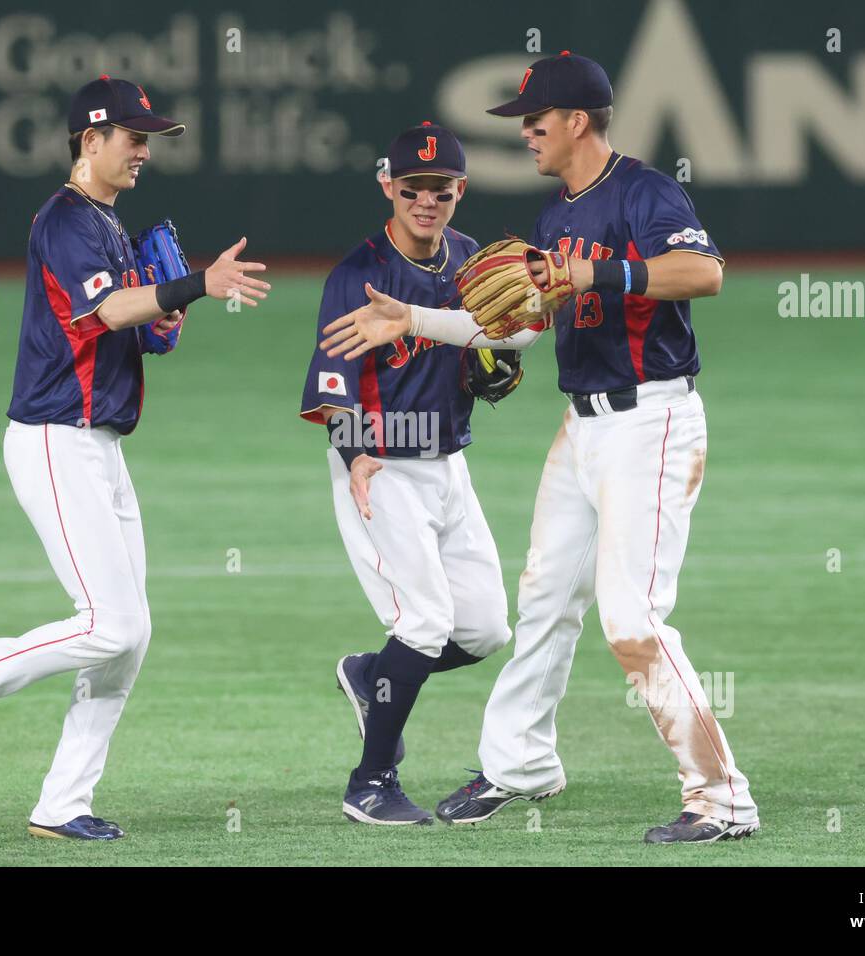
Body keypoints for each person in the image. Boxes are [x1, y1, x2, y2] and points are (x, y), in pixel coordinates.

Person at [320, 53, 760, 844]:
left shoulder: (643, 191)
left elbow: (703, 272)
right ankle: (520, 764)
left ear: (579, 121)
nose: (525, 134)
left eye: (535, 121)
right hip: (582, 427)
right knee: (546, 601)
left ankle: (721, 797)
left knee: (633, 619)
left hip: (650, 423)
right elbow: (518, 328)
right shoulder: (556, 218)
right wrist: (415, 322)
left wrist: (598, 273)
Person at [0, 75, 270, 841]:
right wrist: (196, 286)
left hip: (99, 446)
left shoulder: (109, 224)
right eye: (134, 137)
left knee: (129, 635)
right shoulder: (69, 221)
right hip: (53, 440)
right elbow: (107, 310)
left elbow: (128, 325)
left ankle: (62, 803)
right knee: (109, 624)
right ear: (91, 141)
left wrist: (167, 309)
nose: (145, 150)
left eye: (150, 138)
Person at [300, 123, 525, 825]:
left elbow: (511, 333)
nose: (426, 200)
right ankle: (369, 784)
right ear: (387, 187)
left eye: (440, 189)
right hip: (381, 460)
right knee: (424, 622)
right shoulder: (357, 274)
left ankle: (372, 675)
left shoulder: (470, 260)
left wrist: (496, 357)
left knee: (486, 628)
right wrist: (354, 452)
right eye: (412, 188)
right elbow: (331, 380)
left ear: (460, 189)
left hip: (448, 462)